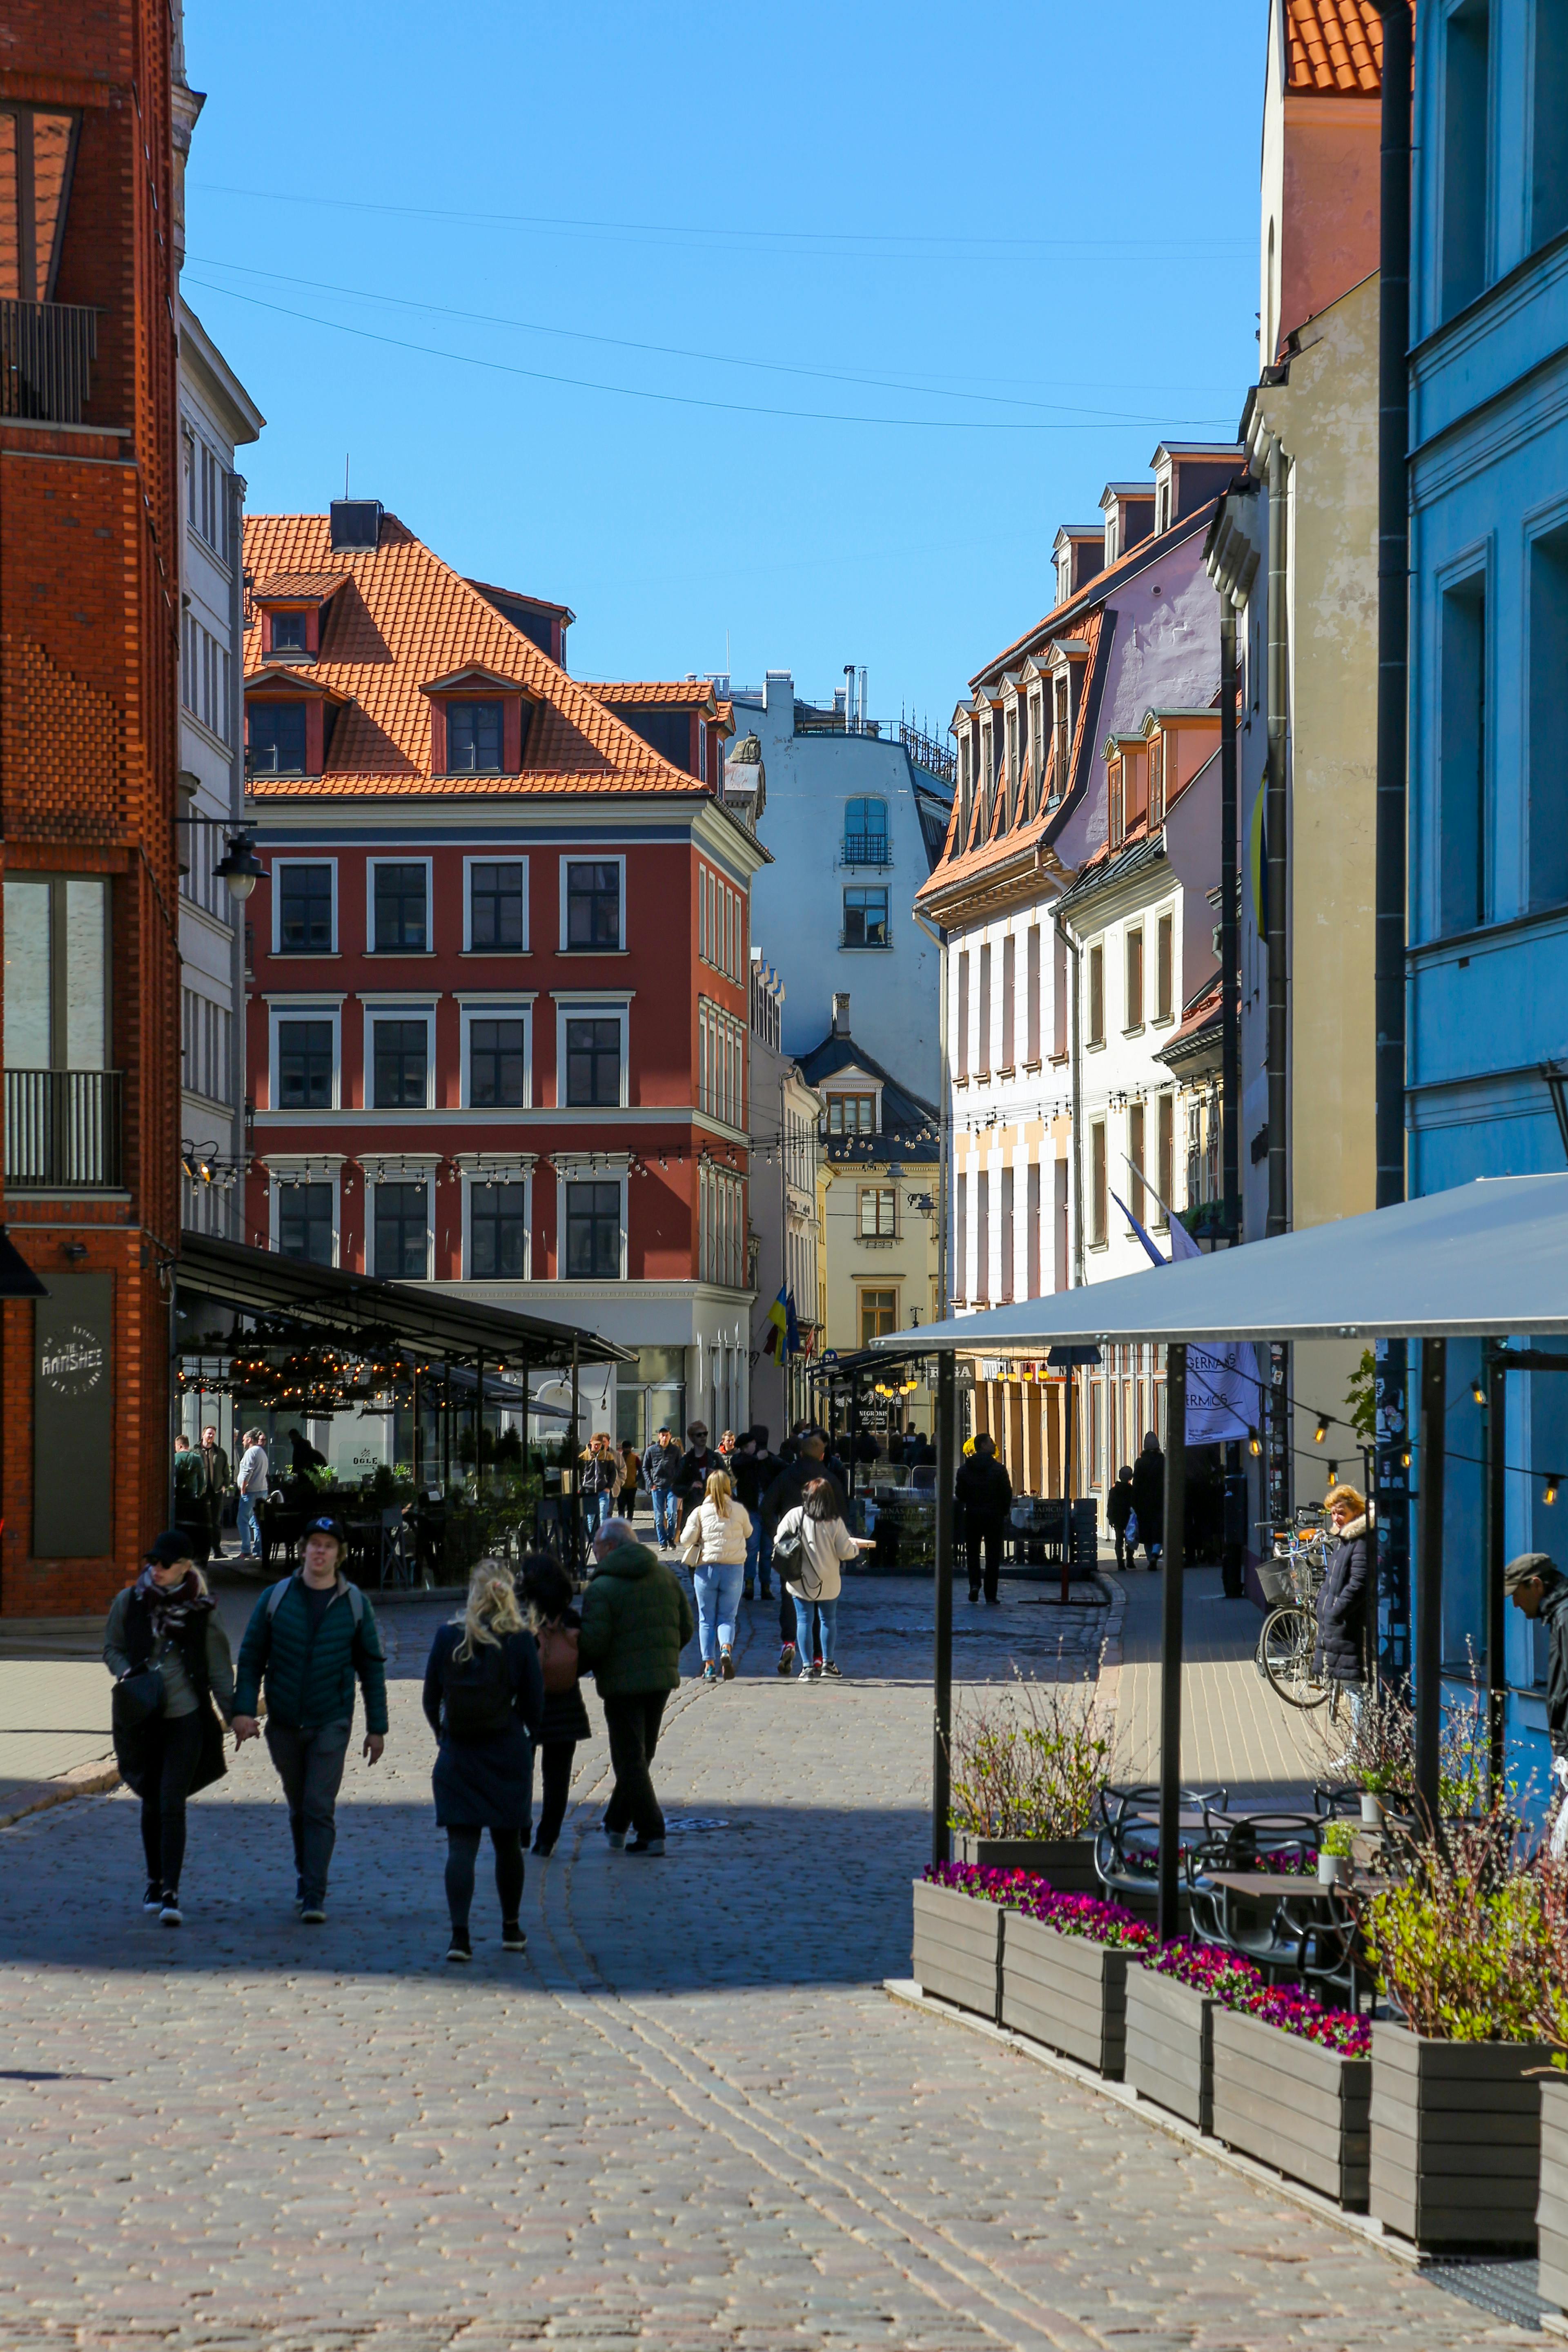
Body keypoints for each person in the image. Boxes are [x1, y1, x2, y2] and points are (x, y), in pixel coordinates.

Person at [231, 1515, 389, 1924]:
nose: (320, 1551)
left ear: (339, 1554)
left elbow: (371, 1668)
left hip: (331, 1719)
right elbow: (250, 1659)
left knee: (319, 1806)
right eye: (314, 1543)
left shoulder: (355, 1604)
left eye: (329, 1545)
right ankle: (306, 1876)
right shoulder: (276, 1598)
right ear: (304, 1550)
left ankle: (314, 1892)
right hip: (284, 1722)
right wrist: (243, 1711)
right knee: (301, 1808)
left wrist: (377, 1728)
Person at [103, 1531, 235, 1925]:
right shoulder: (130, 1603)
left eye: (164, 1564)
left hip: (187, 1717)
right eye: (152, 1562)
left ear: (184, 1567)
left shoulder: (203, 1610)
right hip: (144, 1717)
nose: (155, 1569)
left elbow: (218, 1670)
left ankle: (171, 1892)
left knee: (171, 1801)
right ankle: (153, 1878)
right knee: (151, 1799)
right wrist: (127, 1673)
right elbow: (111, 1647)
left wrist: (236, 1715)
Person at [422, 1559, 543, 1962]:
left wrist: (444, 1736)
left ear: (473, 1594)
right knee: (508, 1845)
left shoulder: (447, 1636)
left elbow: (429, 1700)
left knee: (461, 1847)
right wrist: (528, 1742)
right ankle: (511, 1928)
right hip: (505, 1751)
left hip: (458, 1753)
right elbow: (534, 1707)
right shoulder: (521, 1640)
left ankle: (460, 1937)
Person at [578, 1514, 693, 1856]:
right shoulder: (665, 1576)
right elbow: (685, 1626)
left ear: (610, 1547)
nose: (595, 1553)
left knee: (630, 1759)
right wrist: (662, 1657)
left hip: (622, 1685)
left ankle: (652, 1830)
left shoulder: (602, 1588)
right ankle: (616, 1824)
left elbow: (594, 1644)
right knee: (641, 1755)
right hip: (659, 1680)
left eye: (597, 1547)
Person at [519, 1552, 592, 1859]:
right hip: (566, 1706)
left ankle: (521, 1830)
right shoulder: (571, 1619)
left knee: (521, 1771)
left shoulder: (522, 1621)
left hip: (526, 1707)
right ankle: (547, 1839)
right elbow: (586, 1657)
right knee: (558, 1779)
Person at [773, 1477, 871, 1680]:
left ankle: (807, 1668)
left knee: (804, 1620)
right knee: (829, 1620)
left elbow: (778, 1540)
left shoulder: (795, 1516)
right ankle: (828, 1663)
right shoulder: (835, 1522)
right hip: (829, 1579)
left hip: (801, 1577)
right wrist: (855, 1548)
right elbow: (845, 1552)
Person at [762, 1432, 841, 1674]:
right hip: (825, 1551)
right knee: (824, 1607)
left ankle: (789, 1642)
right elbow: (844, 1515)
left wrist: (779, 1538)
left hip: (793, 1551)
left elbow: (766, 1508)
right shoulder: (830, 1480)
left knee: (793, 1602)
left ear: (800, 1453)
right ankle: (819, 1657)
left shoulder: (785, 1477)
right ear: (823, 1455)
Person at [1506, 1552, 1568, 1855]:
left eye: (1517, 1594)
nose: (1516, 1604)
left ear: (1537, 1586)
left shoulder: (1566, 1617)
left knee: (1559, 1850)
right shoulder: (1560, 1616)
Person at [679, 1470, 751, 1683]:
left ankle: (709, 1666)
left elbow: (686, 1539)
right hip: (733, 1568)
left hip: (707, 1569)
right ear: (729, 1487)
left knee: (706, 1619)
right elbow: (749, 1532)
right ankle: (726, 1650)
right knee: (728, 1617)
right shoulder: (739, 1510)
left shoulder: (701, 1512)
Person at [955, 1431, 1013, 1604]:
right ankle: (990, 1594)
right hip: (994, 1517)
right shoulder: (999, 1469)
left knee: (972, 1553)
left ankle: (974, 1584)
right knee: (993, 1556)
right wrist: (1003, 1511)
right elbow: (1007, 1493)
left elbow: (960, 1494)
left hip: (972, 1515)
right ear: (983, 1446)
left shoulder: (965, 1470)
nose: (994, 1444)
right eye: (990, 1442)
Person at [731, 1427, 776, 1600]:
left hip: (767, 1511)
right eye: (752, 1444)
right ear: (744, 1448)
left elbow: (777, 1466)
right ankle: (749, 1584)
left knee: (766, 1550)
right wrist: (756, 1459)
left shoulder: (766, 1458)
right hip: (751, 1510)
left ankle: (766, 1586)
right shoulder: (740, 1460)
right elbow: (739, 1465)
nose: (756, 1446)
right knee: (752, 1548)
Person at [172, 1434, 210, 1566]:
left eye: (176, 1447)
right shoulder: (196, 1458)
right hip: (191, 1495)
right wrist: (199, 1494)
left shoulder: (175, 1458)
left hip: (177, 1496)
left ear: (180, 1446)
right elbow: (202, 1480)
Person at [644, 1426, 684, 1552]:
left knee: (672, 1514)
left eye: (667, 1435)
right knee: (659, 1516)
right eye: (663, 1435)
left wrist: (677, 1482)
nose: (665, 1438)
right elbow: (645, 1468)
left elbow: (680, 1467)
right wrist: (651, 1484)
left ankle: (671, 1538)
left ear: (670, 1436)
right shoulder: (651, 1450)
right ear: (659, 1437)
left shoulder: (675, 1450)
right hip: (657, 1487)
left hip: (671, 1487)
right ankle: (663, 1542)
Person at [1129, 1431, 1166, 1569]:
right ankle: (1156, 1554)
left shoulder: (1140, 1463)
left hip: (1144, 1504)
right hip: (1160, 1502)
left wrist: (1134, 1504)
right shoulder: (1163, 1461)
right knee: (1159, 1531)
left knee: (1147, 1534)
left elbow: (1136, 1485)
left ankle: (1151, 1558)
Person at [234, 1428, 269, 1562]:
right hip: (262, 1490)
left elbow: (247, 1471)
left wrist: (243, 1488)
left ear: (249, 1440)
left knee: (242, 1520)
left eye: (244, 1439)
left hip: (251, 1492)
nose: (242, 1442)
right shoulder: (262, 1452)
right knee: (257, 1522)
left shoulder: (250, 1452)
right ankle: (259, 1549)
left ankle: (246, 1550)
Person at [197, 1423, 232, 1559]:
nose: (211, 1436)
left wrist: (224, 1487)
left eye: (213, 1434)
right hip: (201, 1492)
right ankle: (202, 1551)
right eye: (209, 1433)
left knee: (216, 1522)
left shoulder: (220, 1452)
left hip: (216, 1491)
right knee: (201, 1521)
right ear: (203, 1435)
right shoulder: (196, 1451)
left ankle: (217, 1550)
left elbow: (226, 1472)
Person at [676, 1422, 717, 1536]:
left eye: (705, 1434)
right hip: (692, 1506)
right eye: (699, 1435)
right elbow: (677, 1487)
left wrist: (717, 1475)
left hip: (712, 1504)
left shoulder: (714, 1458)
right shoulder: (685, 1461)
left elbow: (728, 1479)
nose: (703, 1437)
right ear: (692, 1438)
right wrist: (691, 1486)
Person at [580, 1433, 620, 1535]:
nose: (597, 1446)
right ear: (591, 1443)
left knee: (603, 1516)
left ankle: (602, 1539)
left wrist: (609, 1487)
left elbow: (613, 1472)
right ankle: (593, 1541)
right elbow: (580, 1473)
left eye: (600, 1444)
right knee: (591, 1517)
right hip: (589, 1490)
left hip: (603, 1490)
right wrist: (581, 1487)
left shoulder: (608, 1456)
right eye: (596, 1444)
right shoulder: (584, 1456)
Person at [1105, 1466, 1136, 1572]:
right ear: (1131, 1478)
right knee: (1130, 1539)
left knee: (1119, 1540)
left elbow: (1111, 1506)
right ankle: (1130, 1560)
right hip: (1129, 1518)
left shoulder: (1114, 1490)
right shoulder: (1132, 1491)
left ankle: (1120, 1563)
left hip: (1118, 1519)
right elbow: (1135, 1505)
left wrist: (1110, 1518)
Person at [617, 1438, 642, 1523]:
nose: (627, 1450)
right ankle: (621, 1522)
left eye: (629, 1448)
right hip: (621, 1486)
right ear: (623, 1448)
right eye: (626, 1448)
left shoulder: (635, 1458)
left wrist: (636, 1479)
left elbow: (641, 1470)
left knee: (631, 1506)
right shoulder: (619, 1457)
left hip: (632, 1486)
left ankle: (629, 1522)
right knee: (621, 1505)